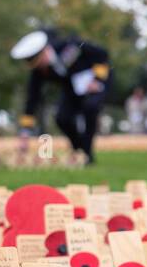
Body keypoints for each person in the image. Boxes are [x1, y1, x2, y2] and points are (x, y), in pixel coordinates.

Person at [10, 27, 110, 165]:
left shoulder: (69, 46)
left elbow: (102, 54)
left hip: (95, 85)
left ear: (45, 51)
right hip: (72, 90)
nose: (40, 68)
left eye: (40, 62)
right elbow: (32, 99)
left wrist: (97, 79)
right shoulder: (39, 71)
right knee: (61, 118)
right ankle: (79, 149)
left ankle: (87, 154)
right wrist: (25, 132)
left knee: (90, 108)